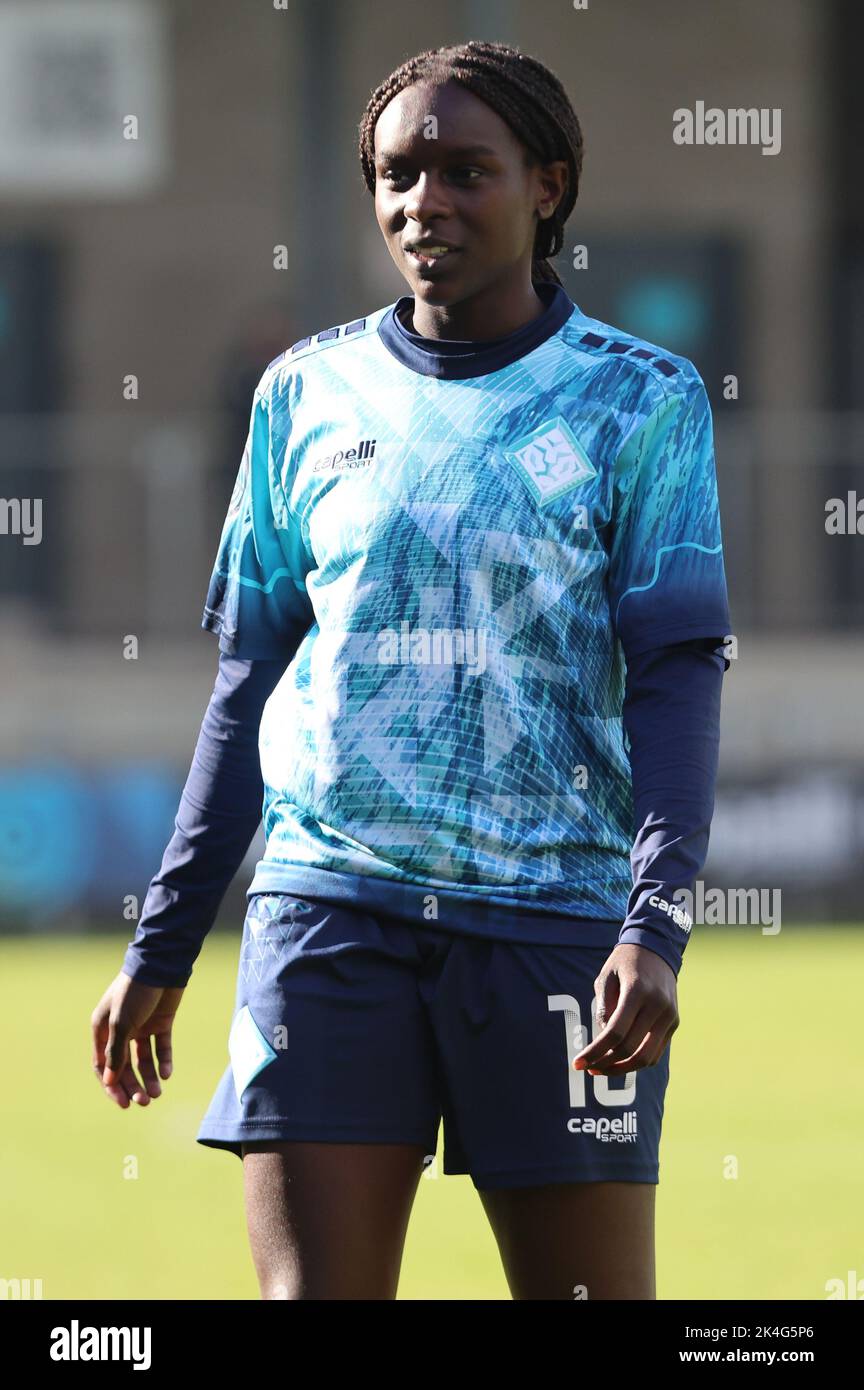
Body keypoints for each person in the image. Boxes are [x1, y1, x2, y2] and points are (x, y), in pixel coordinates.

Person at [91, 39, 731, 1301]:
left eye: (462, 170)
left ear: (549, 186)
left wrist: (656, 918)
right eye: (396, 175)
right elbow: (249, 686)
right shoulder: (301, 396)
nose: (421, 202)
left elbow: (676, 673)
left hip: (555, 925)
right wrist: (160, 945)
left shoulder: (640, 401)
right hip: (329, 915)